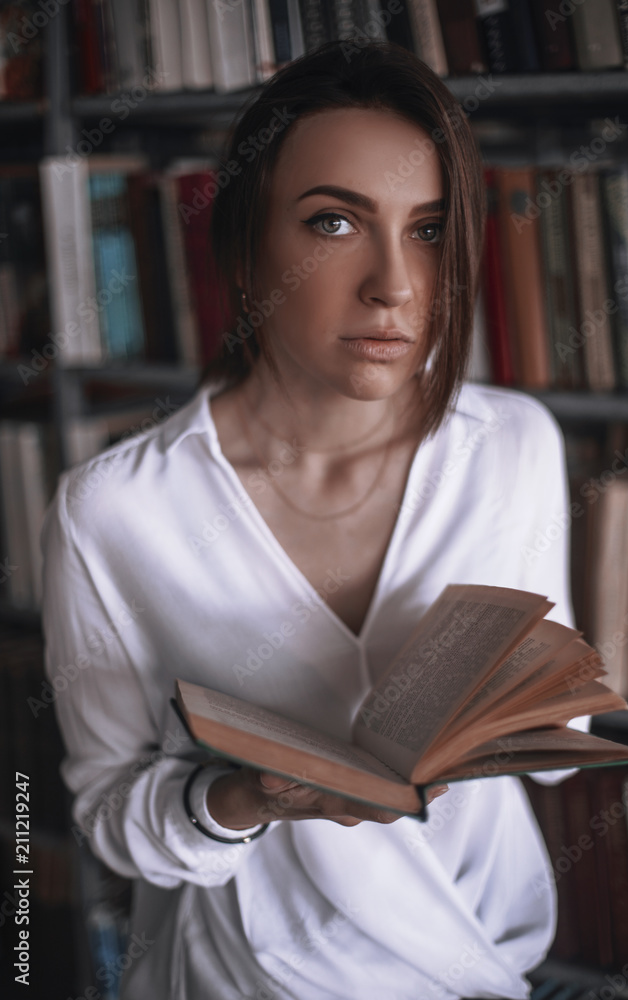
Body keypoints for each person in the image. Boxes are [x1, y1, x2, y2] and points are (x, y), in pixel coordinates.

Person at [41, 39, 589, 1000]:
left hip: (484, 957)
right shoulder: (117, 511)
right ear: (248, 246)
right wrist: (246, 796)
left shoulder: (511, 443)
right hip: (253, 975)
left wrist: (516, 702)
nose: (394, 285)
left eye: (426, 229)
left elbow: (556, 735)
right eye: (335, 221)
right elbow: (111, 813)